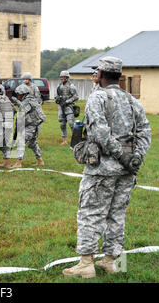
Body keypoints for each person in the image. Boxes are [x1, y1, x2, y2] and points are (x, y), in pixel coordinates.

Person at [62, 56, 151, 279]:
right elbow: (145, 133)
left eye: (96, 73)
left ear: (100, 75)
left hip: (101, 169)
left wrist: (121, 156)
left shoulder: (97, 97)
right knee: (117, 214)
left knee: (90, 213)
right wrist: (134, 158)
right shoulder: (132, 100)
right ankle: (113, 261)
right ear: (118, 76)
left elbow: (100, 131)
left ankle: (86, 264)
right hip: (126, 171)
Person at [10, 84, 45, 168]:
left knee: (21, 141)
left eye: (19, 94)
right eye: (17, 94)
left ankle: (18, 162)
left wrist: (17, 102)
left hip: (33, 125)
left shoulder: (27, 101)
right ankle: (40, 160)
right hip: (34, 124)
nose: (18, 96)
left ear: (24, 94)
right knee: (32, 143)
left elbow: (23, 111)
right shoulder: (29, 100)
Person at [55, 70, 79, 145]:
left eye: (64, 77)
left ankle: (74, 140)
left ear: (67, 77)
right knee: (62, 124)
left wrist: (67, 102)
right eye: (61, 77)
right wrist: (57, 99)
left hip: (69, 107)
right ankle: (64, 140)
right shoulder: (59, 86)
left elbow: (76, 97)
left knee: (71, 123)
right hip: (61, 107)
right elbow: (56, 95)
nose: (62, 78)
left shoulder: (72, 86)